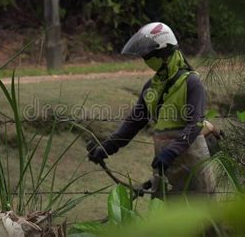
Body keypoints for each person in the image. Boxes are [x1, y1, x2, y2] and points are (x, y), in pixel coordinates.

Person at [88, 22, 218, 198]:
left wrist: (170, 152)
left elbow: (195, 124)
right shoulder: (151, 88)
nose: (145, 58)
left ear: (164, 51)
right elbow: (133, 123)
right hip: (166, 165)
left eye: (148, 54)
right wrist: (106, 148)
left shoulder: (191, 83)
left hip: (192, 163)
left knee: (204, 219)